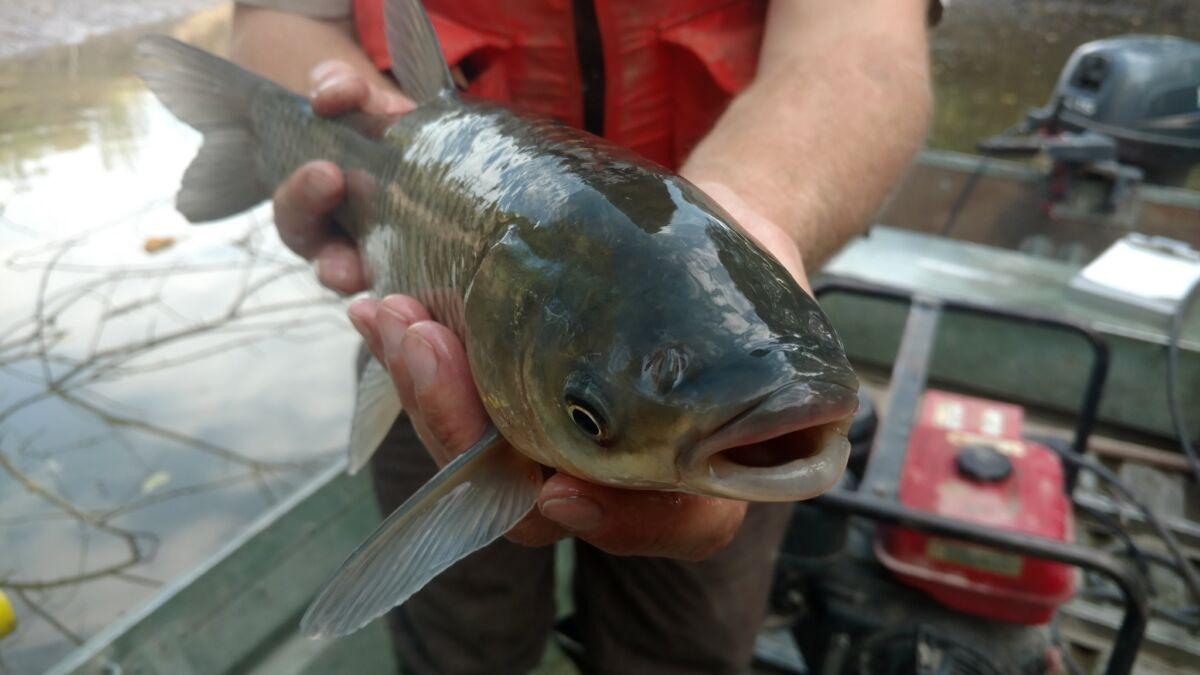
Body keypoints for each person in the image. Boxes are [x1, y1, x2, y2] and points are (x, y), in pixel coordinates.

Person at [230, 1, 937, 672]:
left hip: (721, 296)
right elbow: (280, 15)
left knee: (682, 650)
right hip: (437, 331)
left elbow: (865, 37)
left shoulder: (740, 400)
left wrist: (755, 216)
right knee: (462, 647)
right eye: (588, 417)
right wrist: (327, 117)